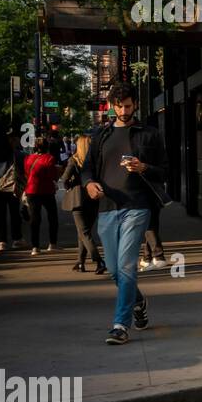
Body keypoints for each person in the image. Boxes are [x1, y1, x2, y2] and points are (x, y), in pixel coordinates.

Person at [81, 80, 170, 345]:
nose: (123, 111)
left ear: (135, 105)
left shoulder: (149, 134)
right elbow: (87, 169)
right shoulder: (101, 136)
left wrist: (144, 168)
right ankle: (138, 301)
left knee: (127, 266)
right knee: (113, 269)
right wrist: (89, 184)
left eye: (128, 106)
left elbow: (164, 170)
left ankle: (120, 325)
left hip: (137, 206)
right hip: (107, 207)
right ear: (112, 106)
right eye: (118, 106)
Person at [61, 134, 105, 273]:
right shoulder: (96, 161)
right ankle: (80, 262)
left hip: (78, 199)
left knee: (84, 232)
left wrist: (70, 186)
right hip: (93, 198)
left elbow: (64, 179)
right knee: (84, 232)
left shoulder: (74, 160)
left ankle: (99, 260)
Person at [24, 136, 61, 254]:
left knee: (34, 219)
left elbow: (26, 173)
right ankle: (52, 244)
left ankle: (35, 247)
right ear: (47, 147)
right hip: (46, 191)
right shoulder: (49, 158)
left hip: (31, 191)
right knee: (52, 217)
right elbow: (52, 176)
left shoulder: (28, 158)